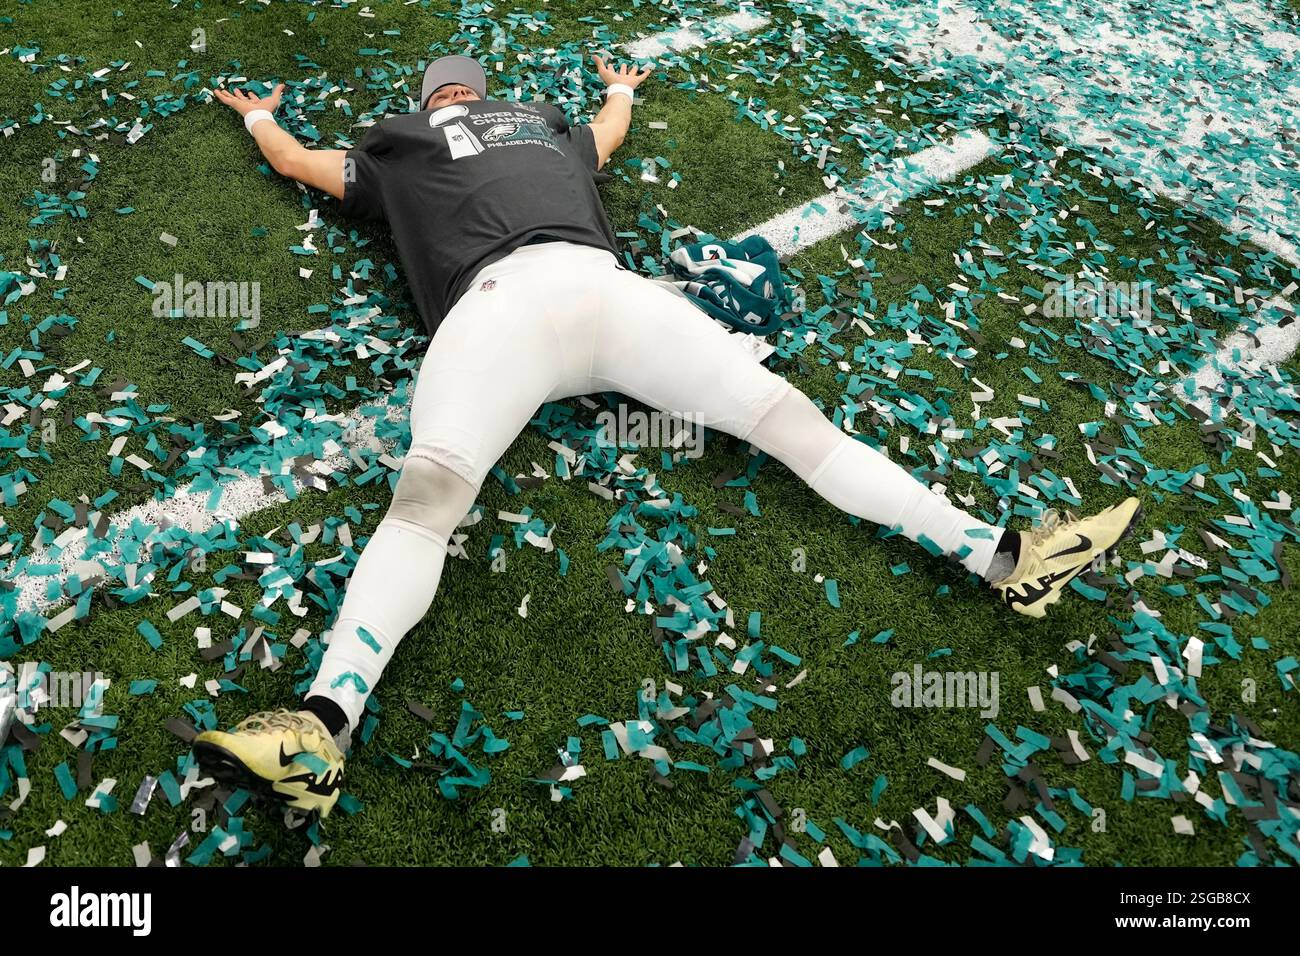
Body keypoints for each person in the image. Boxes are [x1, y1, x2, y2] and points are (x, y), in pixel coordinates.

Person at [195, 54, 1142, 817]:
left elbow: (301, 167)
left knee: (429, 504)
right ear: (484, 96)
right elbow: (600, 142)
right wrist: (613, 93)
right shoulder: (540, 125)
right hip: (607, 295)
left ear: (439, 99)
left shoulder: (407, 138)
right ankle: (1004, 557)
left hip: (505, 307)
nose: (453, 95)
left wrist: (258, 117)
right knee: (794, 430)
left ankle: (325, 722)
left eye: (448, 88)